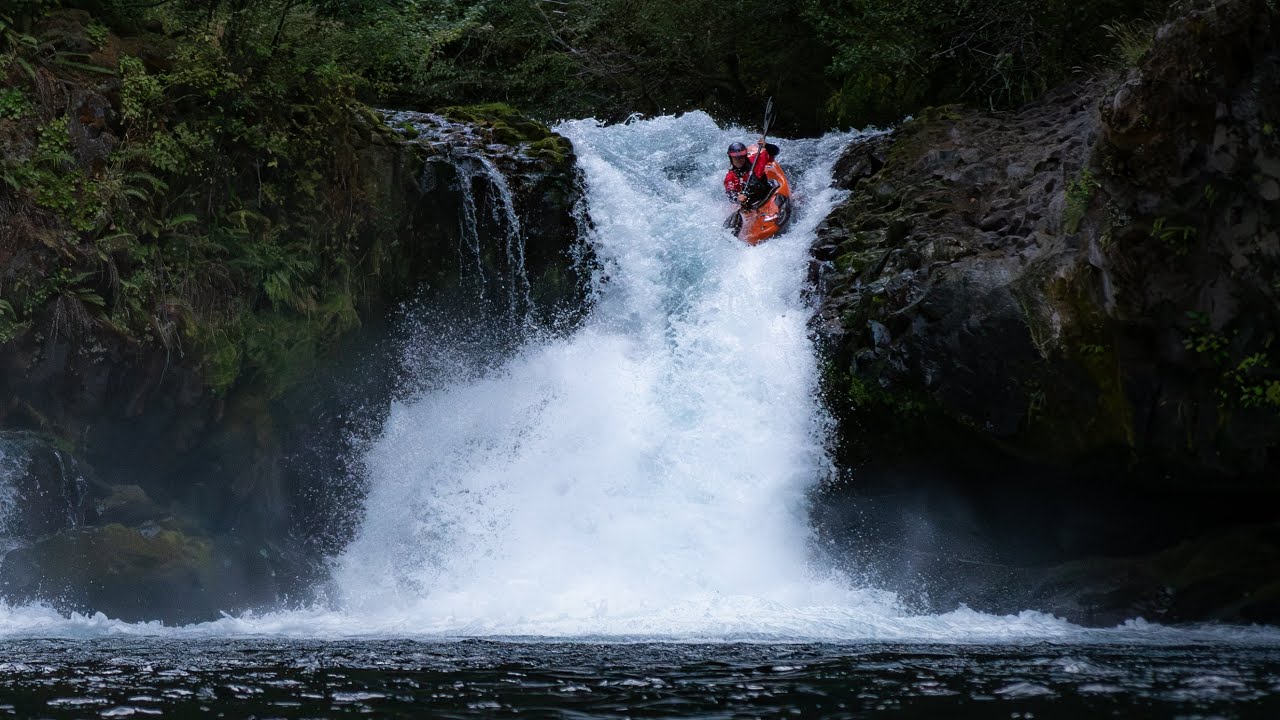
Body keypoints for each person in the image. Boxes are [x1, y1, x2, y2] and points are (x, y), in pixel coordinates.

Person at [723, 137, 780, 210]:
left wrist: (766, 145)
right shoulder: (730, 177)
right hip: (753, 204)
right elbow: (730, 194)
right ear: (731, 158)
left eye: (741, 156)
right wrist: (737, 198)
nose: (739, 159)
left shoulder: (755, 161)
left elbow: (775, 151)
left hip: (767, 193)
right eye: (736, 157)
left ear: (745, 155)